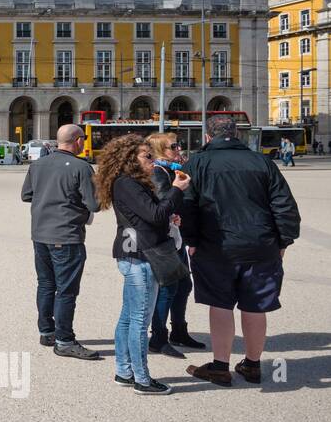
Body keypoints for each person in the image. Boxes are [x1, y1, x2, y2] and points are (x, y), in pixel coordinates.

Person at [181, 115, 301, 387]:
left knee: (220, 304)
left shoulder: (197, 163)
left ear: (208, 136)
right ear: (237, 134)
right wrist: (284, 241)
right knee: (256, 305)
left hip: (215, 246)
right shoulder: (262, 162)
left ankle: (220, 366)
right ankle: (252, 364)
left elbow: (187, 206)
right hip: (261, 245)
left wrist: (191, 240)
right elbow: (284, 206)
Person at [95, 134, 190, 395]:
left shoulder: (129, 183)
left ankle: (124, 371)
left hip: (134, 252)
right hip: (141, 256)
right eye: (147, 156)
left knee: (128, 317)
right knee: (138, 320)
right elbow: (155, 214)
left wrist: (169, 215)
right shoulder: (128, 183)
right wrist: (177, 191)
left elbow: (151, 215)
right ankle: (142, 379)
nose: (152, 159)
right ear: (130, 160)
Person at [20, 123, 101, 360]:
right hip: (66, 235)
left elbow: (26, 195)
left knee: (46, 284)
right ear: (77, 140)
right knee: (66, 290)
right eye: (83, 140)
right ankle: (65, 340)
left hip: (40, 235)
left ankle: (47, 331)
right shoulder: (81, 167)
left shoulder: (38, 164)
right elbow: (94, 204)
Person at [145, 132, 202, 356]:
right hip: (165, 239)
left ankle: (179, 330)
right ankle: (159, 337)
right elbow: (163, 205)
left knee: (184, 285)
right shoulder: (158, 172)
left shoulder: (170, 170)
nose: (179, 149)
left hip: (175, 236)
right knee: (169, 287)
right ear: (159, 151)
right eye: (173, 146)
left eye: (178, 145)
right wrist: (176, 209)